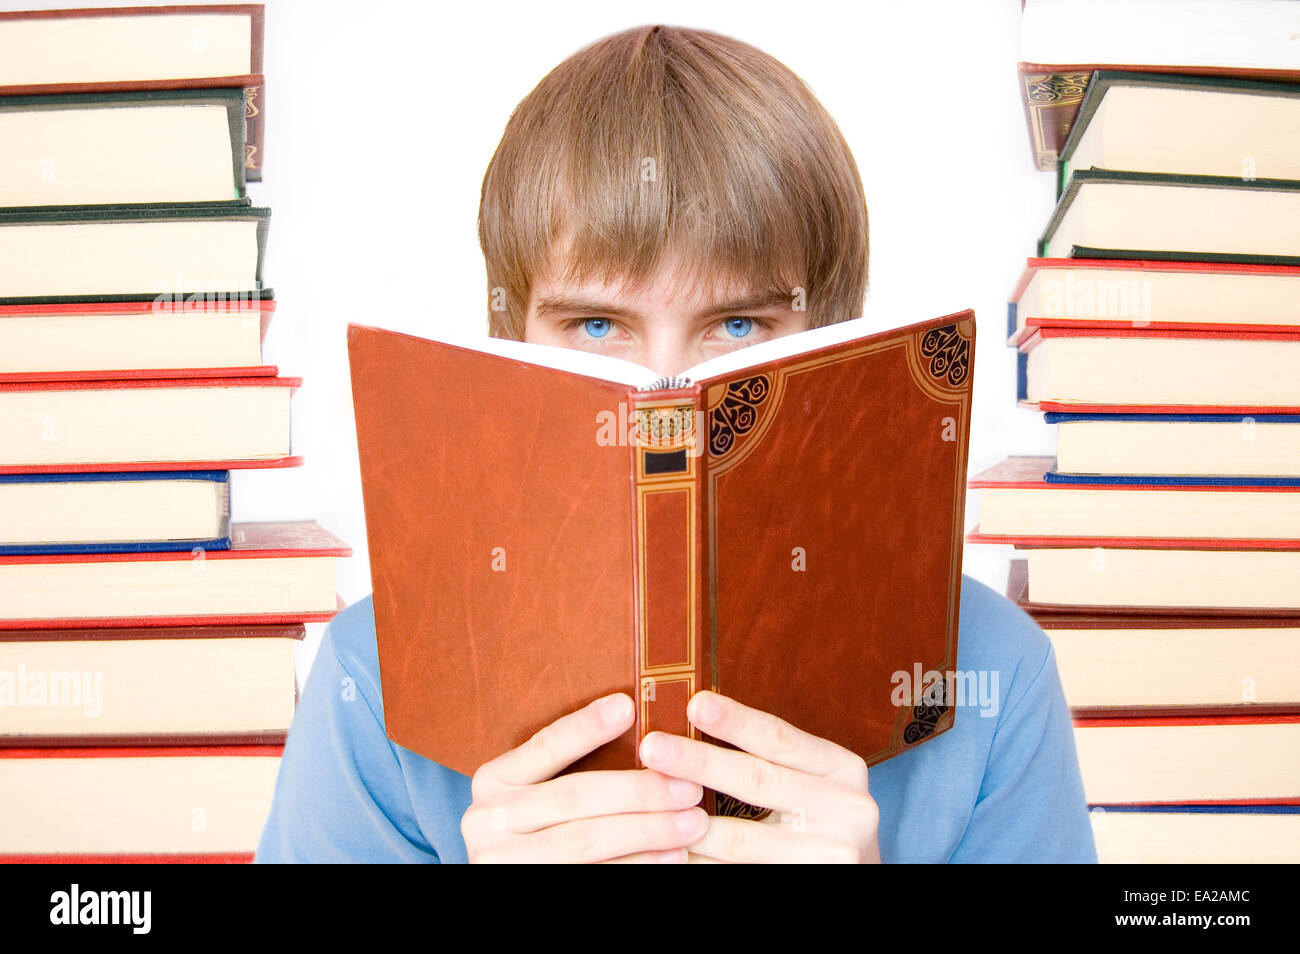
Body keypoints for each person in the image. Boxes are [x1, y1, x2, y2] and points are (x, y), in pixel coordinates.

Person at [256, 24, 1096, 863]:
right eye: (597, 325)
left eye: (736, 324)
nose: (664, 395)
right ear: (510, 336)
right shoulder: (373, 682)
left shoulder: (992, 677)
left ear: (834, 343)